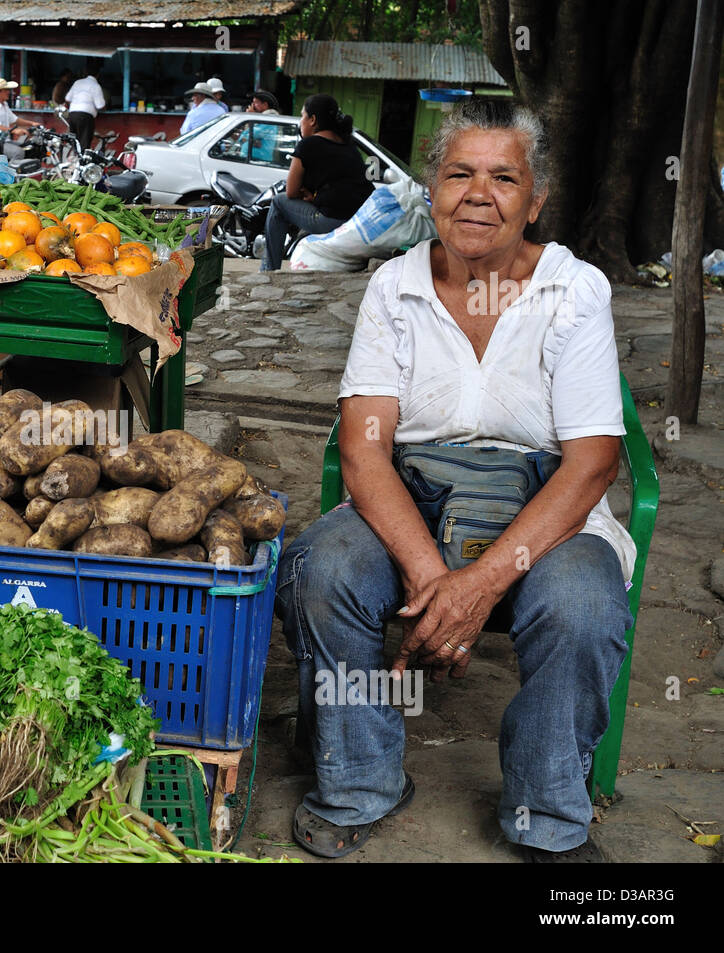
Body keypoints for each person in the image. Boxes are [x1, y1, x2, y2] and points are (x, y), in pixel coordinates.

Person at [276, 97, 634, 864]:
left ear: (534, 201)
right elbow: (366, 447)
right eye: (458, 173)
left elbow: (594, 461)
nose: (479, 192)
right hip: (416, 493)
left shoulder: (575, 291)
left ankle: (547, 810)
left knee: (581, 602)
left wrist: (481, 587)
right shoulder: (393, 288)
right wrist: (435, 574)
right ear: (431, 190)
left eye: (504, 177)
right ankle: (361, 780)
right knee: (321, 568)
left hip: (545, 504)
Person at [260, 94, 372, 271]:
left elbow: (290, 191)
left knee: (278, 202)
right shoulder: (348, 145)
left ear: (312, 120)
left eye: (303, 116)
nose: (301, 121)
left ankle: (268, 270)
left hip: (331, 220)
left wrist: (303, 194)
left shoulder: (309, 144)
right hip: (357, 220)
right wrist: (314, 197)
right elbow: (342, 187)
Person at [0, 78, 38, 156]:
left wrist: (32, 123)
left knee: (28, 147)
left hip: (3, 141)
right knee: (18, 152)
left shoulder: (5, 105)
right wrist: (15, 131)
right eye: (6, 90)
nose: (9, 92)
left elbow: (15, 119)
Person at [64, 67, 105, 151]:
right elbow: (100, 106)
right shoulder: (95, 86)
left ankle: (76, 160)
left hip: (72, 115)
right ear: (98, 75)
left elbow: (67, 99)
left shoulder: (77, 82)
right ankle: (82, 162)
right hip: (85, 116)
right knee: (84, 143)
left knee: (75, 141)